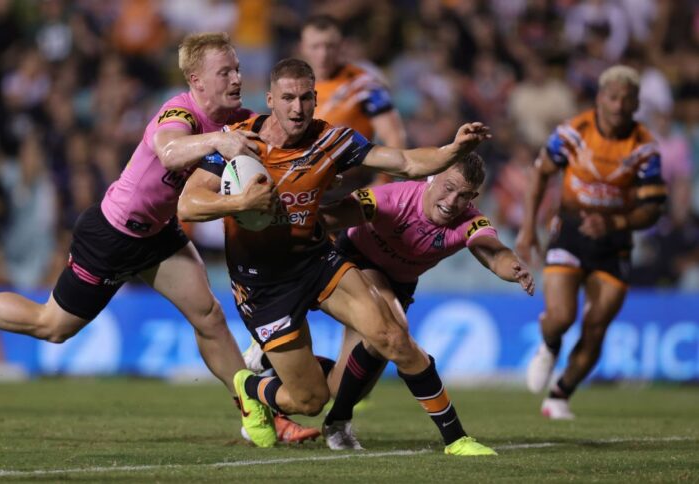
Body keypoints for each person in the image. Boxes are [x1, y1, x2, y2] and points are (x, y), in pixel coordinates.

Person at [0, 32, 280, 447]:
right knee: (52, 326)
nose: (237, 78)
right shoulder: (178, 114)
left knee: (209, 316)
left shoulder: (237, 120)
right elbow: (169, 152)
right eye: (225, 72)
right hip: (112, 235)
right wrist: (217, 140)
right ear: (196, 80)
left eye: (237, 69)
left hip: (158, 234)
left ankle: (254, 406)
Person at [179, 58, 496, 455]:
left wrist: (453, 149)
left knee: (392, 335)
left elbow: (405, 162)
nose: (298, 108)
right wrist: (241, 202)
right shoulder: (237, 142)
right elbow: (188, 204)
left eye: (306, 98)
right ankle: (249, 386)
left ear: (316, 99)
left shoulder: (332, 141)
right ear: (270, 99)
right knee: (311, 400)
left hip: (316, 261)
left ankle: (456, 439)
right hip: (263, 286)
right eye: (288, 98)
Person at [244, 152, 535, 449]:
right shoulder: (392, 198)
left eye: (464, 196)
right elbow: (333, 216)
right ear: (432, 176)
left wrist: (513, 268)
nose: (452, 201)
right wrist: (288, 213)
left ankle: (261, 385)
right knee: (395, 332)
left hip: (400, 285)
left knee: (340, 386)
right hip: (355, 260)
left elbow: (492, 251)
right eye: (448, 188)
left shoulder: (471, 221)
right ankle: (451, 438)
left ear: (473, 197)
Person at [516, 65, 667, 420]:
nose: (618, 106)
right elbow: (539, 173)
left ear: (636, 104)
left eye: (626, 99)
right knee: (561, 316)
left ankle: (560, 395)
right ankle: (549, 345)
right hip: (570, 232)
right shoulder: (572, 133)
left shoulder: (644, 147)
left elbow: (652, 208)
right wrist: (528, 229)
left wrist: (615, 222)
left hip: (615, 243)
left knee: (596, 327)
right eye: (612, 97)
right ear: (600, 98)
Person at [299, 15, 407, 200]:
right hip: (305, 186)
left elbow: (394, 136)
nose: (323, 54)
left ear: (342, 46)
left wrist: (383, 181)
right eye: (315, 46)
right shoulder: (294, 85)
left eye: (330, 46)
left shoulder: (363, 85)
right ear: (302, 47)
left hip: (351, 188)